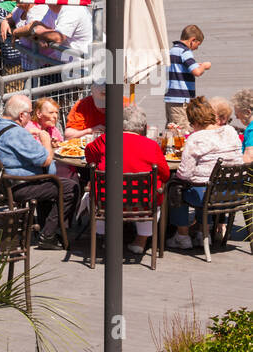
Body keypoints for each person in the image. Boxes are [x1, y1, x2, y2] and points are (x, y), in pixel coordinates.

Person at [0, 93, 79, 248]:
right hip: (21, 186)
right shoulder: (17, 133)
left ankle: (44, 227)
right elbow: (46, 159)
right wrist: (46, 140)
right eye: (29, 113)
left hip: (2, 183)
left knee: (50, 182)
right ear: (21, 115)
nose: (30, 117)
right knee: (70, 187)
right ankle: (47, 235)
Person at [85, 104, 170, 257]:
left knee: (93, 191)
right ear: (143, 126)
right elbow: (165, 174)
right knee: (153, 191)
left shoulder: (105, 139)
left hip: (107, 202)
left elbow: (89, 155)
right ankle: (141, 241)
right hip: (142, 204)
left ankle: (106, 237)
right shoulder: (152, 145)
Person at [167, 97, 242, 250]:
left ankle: (182, 235)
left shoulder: (196, 138)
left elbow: (185, 174)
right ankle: (203, 233)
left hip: (207, 194)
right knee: (205, 183)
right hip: (233, 191)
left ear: (194, 121)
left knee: (176, 184)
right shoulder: (230, 130)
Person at [165, 24, 211, 129]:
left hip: (171, 98)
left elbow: (180, 68)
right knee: (182, 130)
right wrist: (204, 66)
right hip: (181, 99)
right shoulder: (185, 52)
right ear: (192, 40)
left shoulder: (172, 50)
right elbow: (197, 72)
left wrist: (195, 65)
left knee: (172, 128)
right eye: (197, 44)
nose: (197, 48)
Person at [231, 89, 253, 163]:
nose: (237, 118)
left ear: (247, 112)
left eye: (237, 114)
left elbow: (249, 157)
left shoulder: (251, 129)